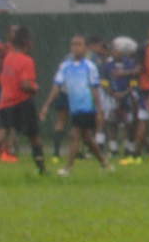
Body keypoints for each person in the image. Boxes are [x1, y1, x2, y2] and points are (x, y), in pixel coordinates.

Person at [40, 33, 111, 173]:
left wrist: (99, 109)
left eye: (79, 44)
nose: (75, 47)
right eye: (73, 44)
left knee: (75, 134)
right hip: (74, 107)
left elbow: (95, 89)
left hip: (87, 107)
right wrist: (47, 105)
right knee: (87, 138)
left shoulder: (90, 66)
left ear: (85, 48)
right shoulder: (65, 66)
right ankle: (104, 163)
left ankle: (68, 168)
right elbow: (57, 86)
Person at [0, 22, 42, 171]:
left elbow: (2, 77)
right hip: (22, 102)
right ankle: (41, 167)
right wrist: (35, 88)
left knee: (1, 132)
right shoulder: (27, 61)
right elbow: (25, 85)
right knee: (34, 135)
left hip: (5, 101)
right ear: (28, 42)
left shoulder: (8, 57)